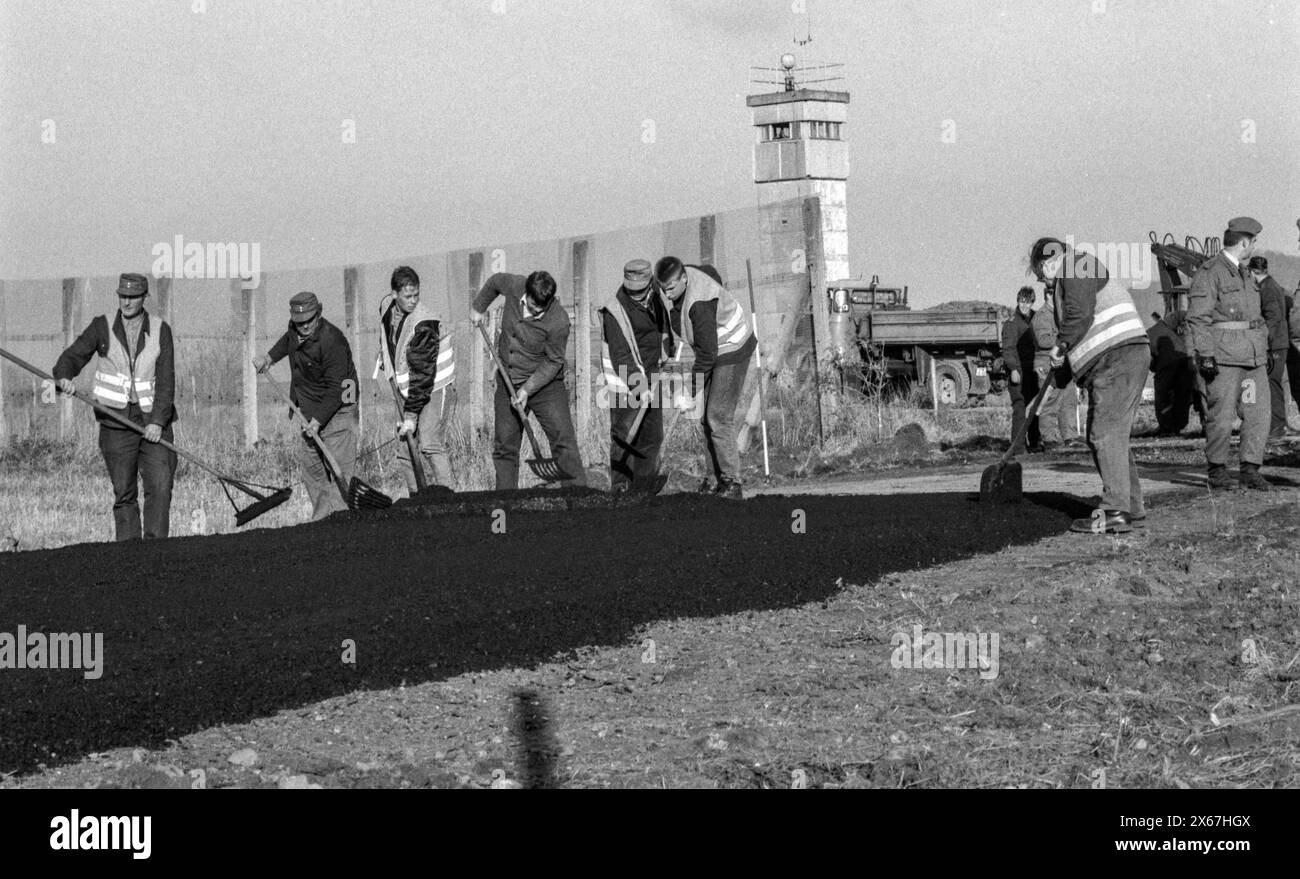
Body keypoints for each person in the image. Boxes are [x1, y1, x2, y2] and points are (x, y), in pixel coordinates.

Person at [1030, 237, 1148, 534]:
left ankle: (1115, 511)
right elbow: (1075, 345)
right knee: (1110, 434)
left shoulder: (1076, 265)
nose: (1043, 282)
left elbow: (1080, 315)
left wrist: (1060, 345)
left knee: (1104, 433)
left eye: (1040, 274)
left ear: (1047, 262)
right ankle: (1130, 507)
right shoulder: (1073, 273)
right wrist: (1044, 395)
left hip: (1117, 356)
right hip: (1117, 356)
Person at [53, 272, 177, 540]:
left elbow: (167, 382)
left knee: (160, 486)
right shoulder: (102, 326)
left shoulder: (160, 330)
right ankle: (129, 555)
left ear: (144, 297)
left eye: (133, 297)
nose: (126, 302)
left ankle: (157, 552)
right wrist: (64, 377)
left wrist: (157, 422)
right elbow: (73, 356)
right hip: (115, 421)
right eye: (122, 296)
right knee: (124, 492)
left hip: (152, 422)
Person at [470, 271, 586, 490]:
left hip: (546, 386)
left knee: (563, 441)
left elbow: (553, 361)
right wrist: (478, 307)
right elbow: (494, 282)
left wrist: (526, 390)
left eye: (541, 309)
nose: (535, 312)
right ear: (527, 293)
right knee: (505, 445)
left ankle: (578, 497)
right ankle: (506, 502)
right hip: (508, 379)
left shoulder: (559, 321)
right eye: (532, 306)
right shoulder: (515, 285)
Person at [654, 256, 756, 499]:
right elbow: (711, 272)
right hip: (713, 347)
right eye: (663, 289)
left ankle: (732, 483)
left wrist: (688, 392)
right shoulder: (685, 276)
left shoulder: (699, 305)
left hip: (732, 346)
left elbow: (707, 356)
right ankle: (713, 480)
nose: (667, 294)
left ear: (683, 279)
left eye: (670, 289)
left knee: (717, 416)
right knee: (704, 420)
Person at [254, 291, 359, 520]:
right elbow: (288, 340)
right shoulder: (295, 330)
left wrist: (318, 421)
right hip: (311, 407)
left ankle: (342, 520)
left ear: (318, 314)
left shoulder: (333, 341)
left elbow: (338, 389)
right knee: (312, 467)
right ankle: (321, 521)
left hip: (340, 406)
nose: (304, 326)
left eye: (309, 320)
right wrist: (269, 358)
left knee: (338, 467)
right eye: (299, 322)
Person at [1186, 217, 1271, 491]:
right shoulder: (1210, 272)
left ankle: (1250, 469)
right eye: (1253, 242)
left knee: (1257, 414)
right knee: (1221, 416)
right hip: (1224, 358)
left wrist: (1264, 348)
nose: (1254, 246)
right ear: (1244, 242)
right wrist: (1205, 354)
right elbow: (1198, 318)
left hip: (1252, 360)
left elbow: (1255, 317)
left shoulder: (1245, 273)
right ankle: (1217, 470)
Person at [376, 266, 457, 493]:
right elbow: (389, 339)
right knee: (406, 450)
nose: (413, 301)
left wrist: (411, 417)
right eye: (408, 296)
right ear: (394, 294)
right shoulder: (386, 307)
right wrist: (384, 357)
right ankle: (416, 501)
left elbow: (422, 376)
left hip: (434, 387)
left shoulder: (424, 324)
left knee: (429, 444)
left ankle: (449, 500)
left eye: (416, 295)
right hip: (408, 388)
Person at [600, 258, 673, 493]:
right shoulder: (614, 311)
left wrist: (668, 352)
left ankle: (643, 487)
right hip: (625, 379)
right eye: (632, 290)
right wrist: (641, 387)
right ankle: (620, 487)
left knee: (652, 436)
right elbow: (621, 356)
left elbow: (663, 327)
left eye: (640, 290)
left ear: (650, 283)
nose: (635, 294)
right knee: (624, 436)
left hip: (653, 374)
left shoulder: (656, 295)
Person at [1247, 256, 1293, 441]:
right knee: (1273, 384)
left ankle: (1278, 426)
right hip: (1278, 343)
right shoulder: (1271, 285)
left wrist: (1266, 344)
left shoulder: (1267, 289)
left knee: (1272, 384)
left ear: (1252, 272)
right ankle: (1278, 424)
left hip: (1275, 345)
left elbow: (1272, 319)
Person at [1031, 285, 1083, 449]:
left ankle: (1070, 437)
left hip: (1063, 365)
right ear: (1048, 295)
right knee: (1050, 403)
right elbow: (1043, 340)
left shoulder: (1060, 315)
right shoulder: (1042, 316)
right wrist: (1064, 339)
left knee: (1068, 401)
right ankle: (1049, 440)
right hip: (1048, 365)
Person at [1001, 286, 1041, 453]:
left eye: (1028, 302)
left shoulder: (1036, 319)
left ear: (1032, 303)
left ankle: (1035, 442)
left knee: (1034, 406)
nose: (1024, 305)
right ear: (1018, 301)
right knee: (1020, 406)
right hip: (1019, 371)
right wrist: (1013, 369)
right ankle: (1017, 446)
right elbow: (1008, 348)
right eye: (1022, 302)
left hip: (1033, 370)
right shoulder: (1012, 323)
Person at [1147, 308, 1198, 436]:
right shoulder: (1168, 325)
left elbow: (1150, 362)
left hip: (1167, 365)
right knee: (1182, 395)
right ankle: (1179, 426)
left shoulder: (1149, 335)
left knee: (1163, 396)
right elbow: (1185, 314)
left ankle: (1167, 428)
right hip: (1183, 359)